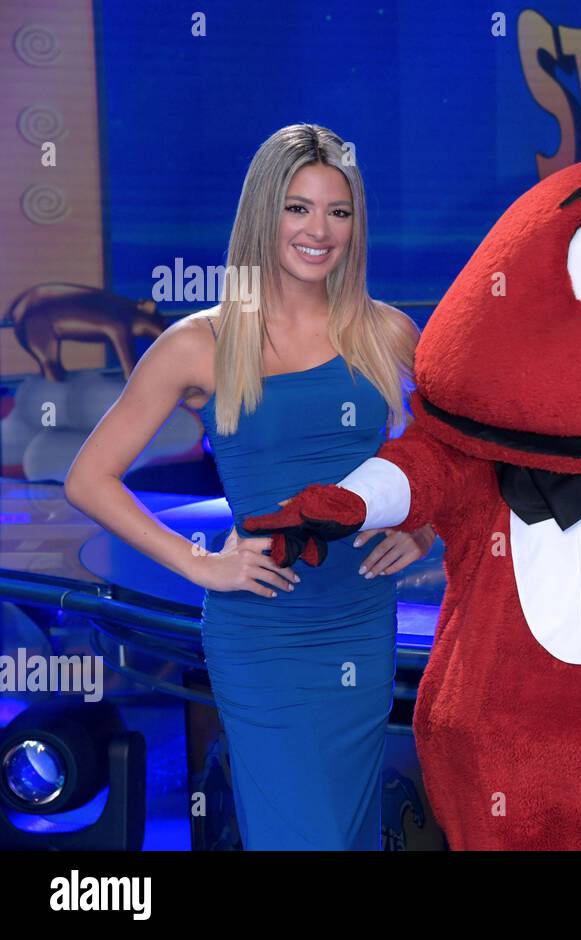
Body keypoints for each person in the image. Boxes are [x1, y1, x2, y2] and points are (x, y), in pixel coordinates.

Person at [65, 123, 434, 849]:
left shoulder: (387, 331)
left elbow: (452, 452)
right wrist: (199, 563)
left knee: (351, 832)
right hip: (262, 633)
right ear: (264, 213)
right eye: (298, 207)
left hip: (360, 620)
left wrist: (422, 525)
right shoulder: (200, 342)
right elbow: (88, 478)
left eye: (338, 210)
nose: (318, 229)